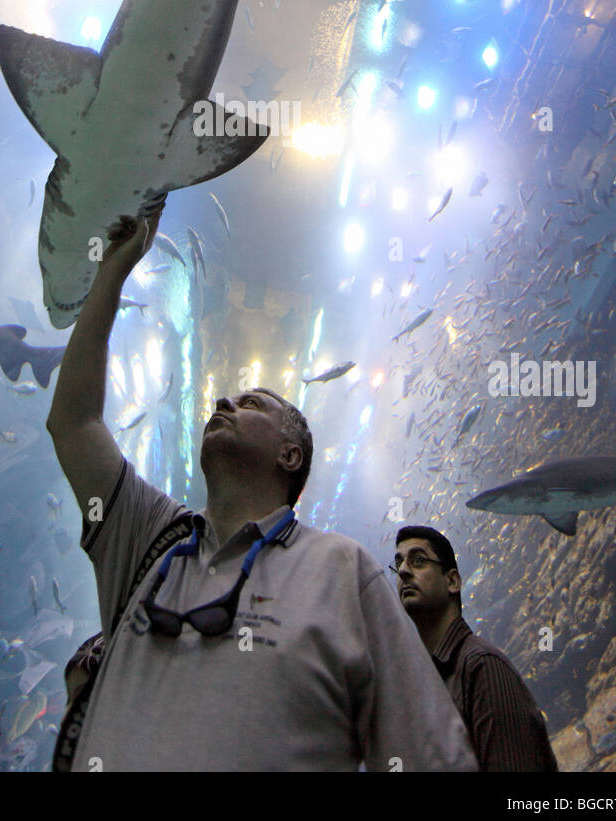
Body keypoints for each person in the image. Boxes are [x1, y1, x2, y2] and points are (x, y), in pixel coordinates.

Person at [46, 206, 478, 772]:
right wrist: (111, 273)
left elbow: (433, 758)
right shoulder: (147, 540)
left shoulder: (344, 572)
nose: (224, 402)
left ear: (289, 454)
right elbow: (74, 423)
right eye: (227, 399)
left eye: (251, 404)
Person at [393, 526, 559, 772]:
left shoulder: (482, 667)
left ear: (452, 581)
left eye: (418, 561)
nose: (404, 571)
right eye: (398, 564)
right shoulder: (425, 683)